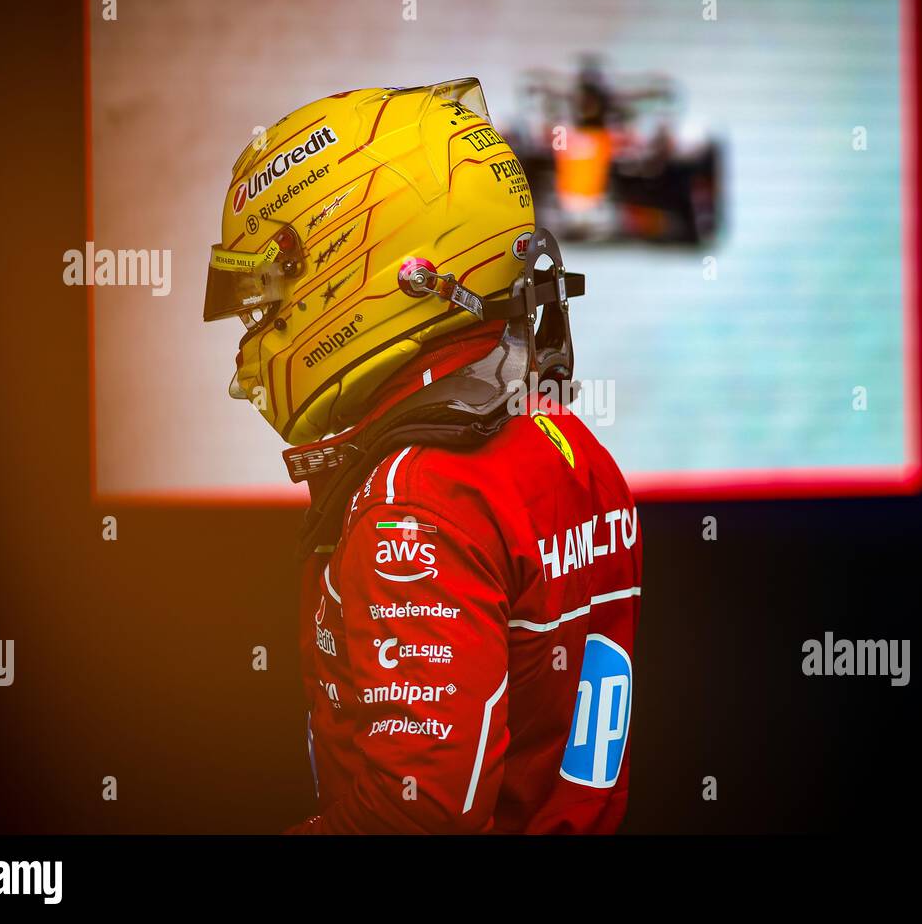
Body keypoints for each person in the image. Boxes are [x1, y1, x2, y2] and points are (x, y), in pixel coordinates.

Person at [203, 79, 642, 833]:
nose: (258, 329)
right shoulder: (562, 441)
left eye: (272, 294)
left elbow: (423, 812)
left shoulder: (414, 501)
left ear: (368, 267)